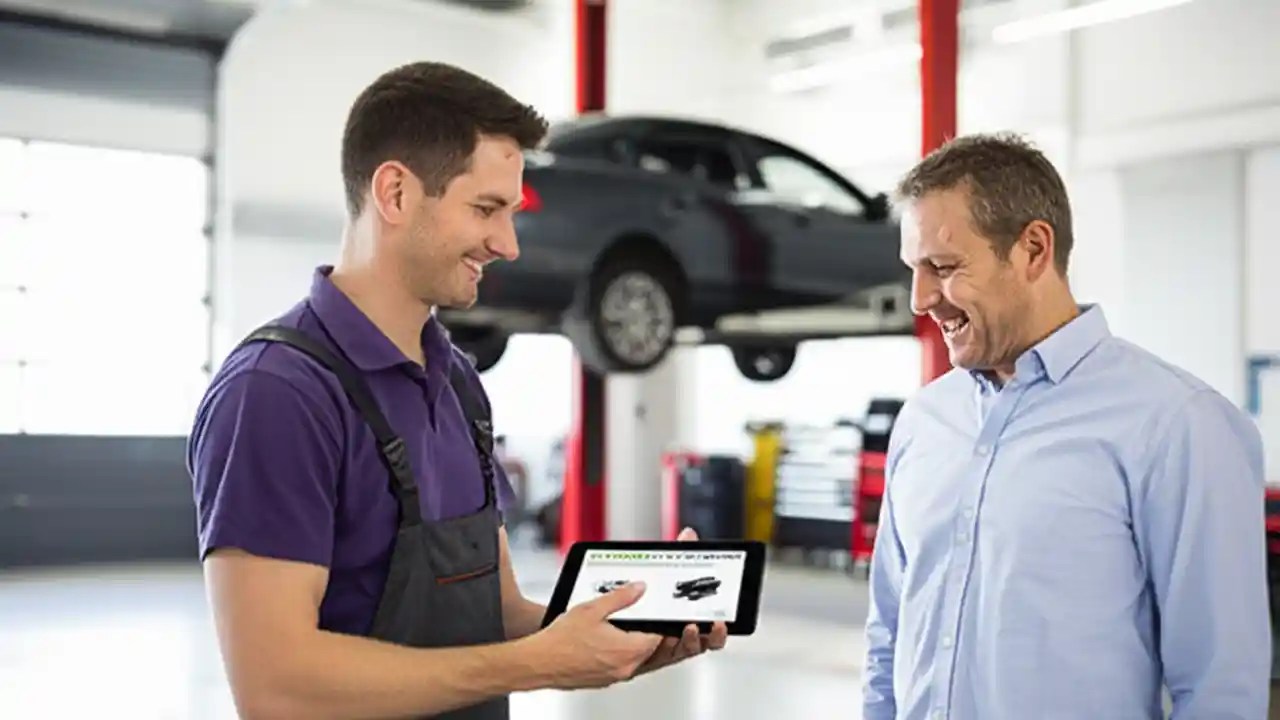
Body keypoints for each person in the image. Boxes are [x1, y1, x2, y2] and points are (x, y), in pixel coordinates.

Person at [186, 61, 726, 720]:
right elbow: (276, 688)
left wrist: (622, 630)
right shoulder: (275, 395)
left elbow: (494, 615)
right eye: (486, 209)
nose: (507, 244)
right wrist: (538, 663)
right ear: (395, 193)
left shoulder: (459, 383)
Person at [862, 132, 1270, 719]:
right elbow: (889, 639)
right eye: (913, 271)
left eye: (944, 268)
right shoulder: (925, 422)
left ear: (1033, 249)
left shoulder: (1177, 424)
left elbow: (1220, 687)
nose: (921, 300)